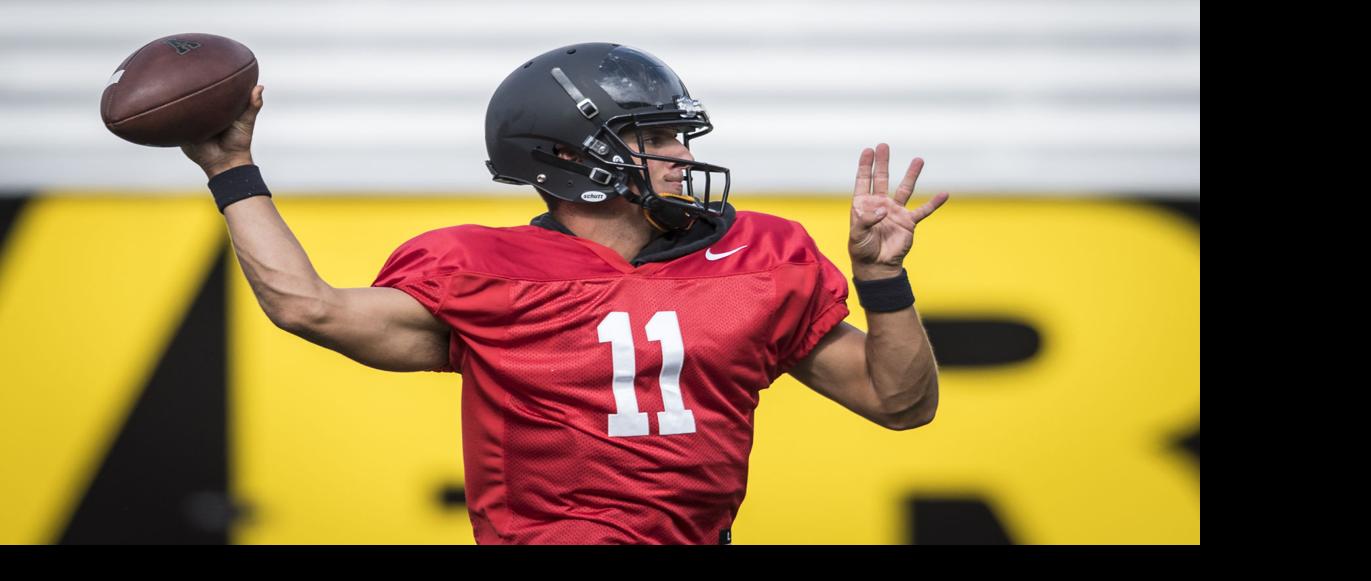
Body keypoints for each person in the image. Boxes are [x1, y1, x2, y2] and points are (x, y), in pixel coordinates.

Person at [181, 43, 947, 545]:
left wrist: (881, 279)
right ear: (577, 155)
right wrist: (231, 172)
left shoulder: (759, 256)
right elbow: (306, 305)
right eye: (656, 139)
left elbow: (901, 402)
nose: (683, 156)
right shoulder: (484, 267)